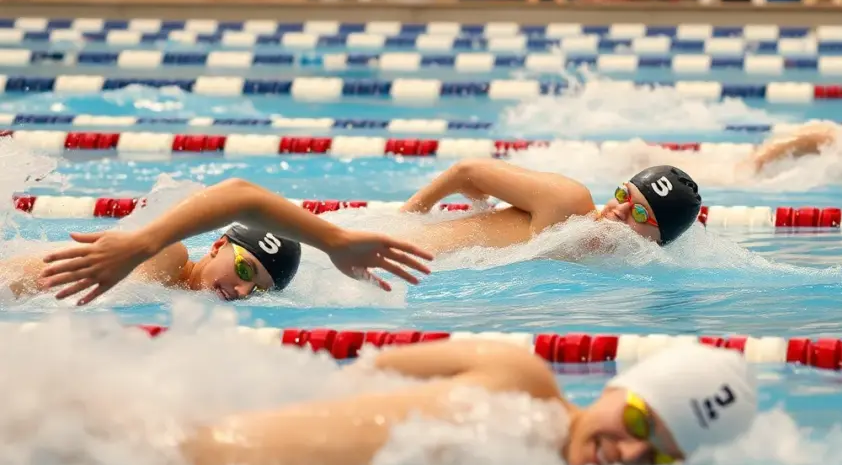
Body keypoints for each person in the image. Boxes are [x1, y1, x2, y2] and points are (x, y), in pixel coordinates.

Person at [182, 338, 759, 465]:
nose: (631, 453)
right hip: (188, 450)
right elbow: (351, 375)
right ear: (617, 388)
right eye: (640, 423)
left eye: (660, 458)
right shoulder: (519, 378)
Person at [13, 178, 433, 305]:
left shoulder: (173, 295)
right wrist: (140, 246)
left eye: (257, 288)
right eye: (246, 269)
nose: (243, 289)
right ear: (216, 245)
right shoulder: (166, 258)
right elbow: (239, 196)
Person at [397, 161, 703, 254]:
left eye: (639, 213)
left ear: (658, 240)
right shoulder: (567, 204)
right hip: (398, 251)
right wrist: (405, 217)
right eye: (624, 195)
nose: (621, 210)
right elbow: (467, 172)